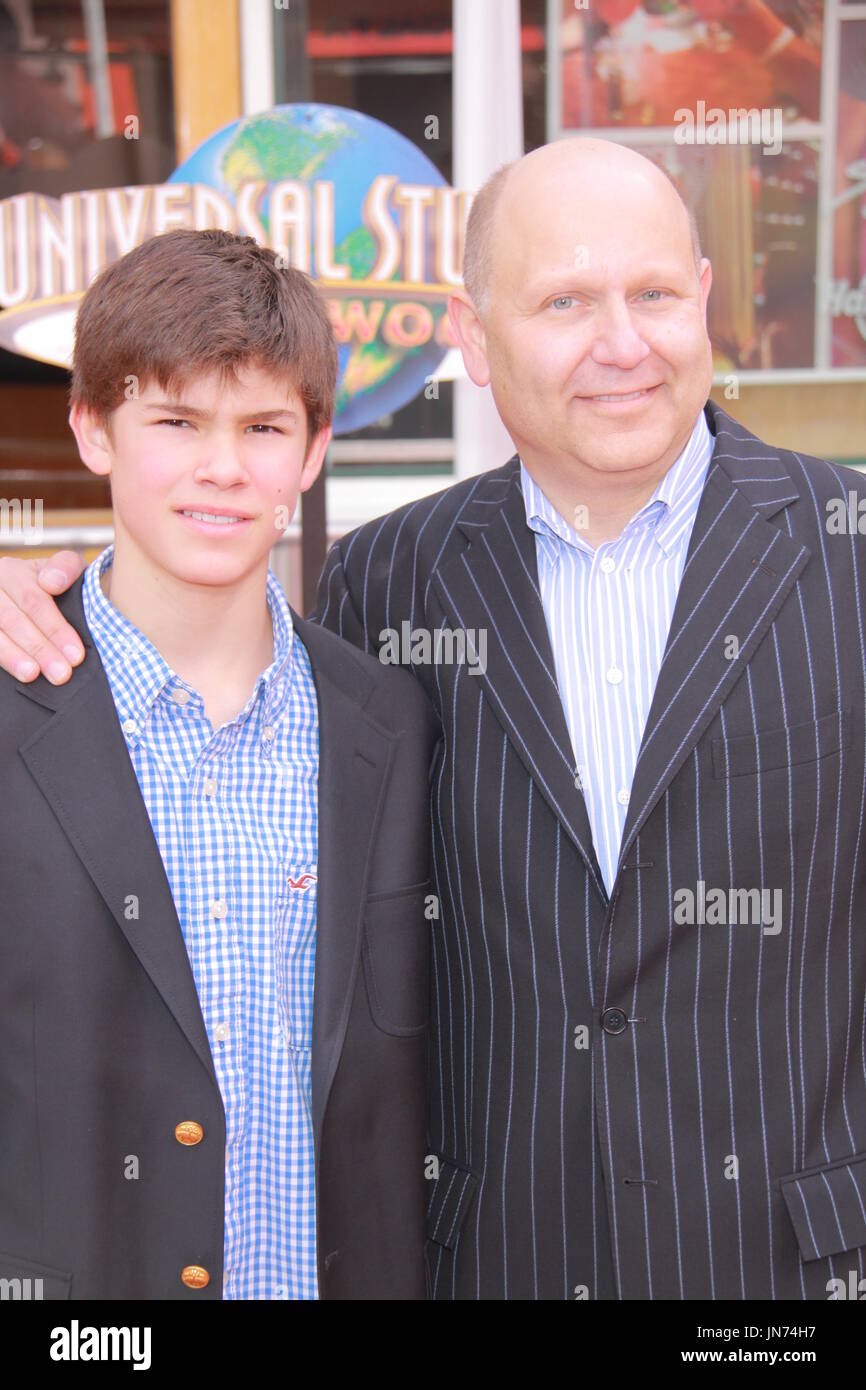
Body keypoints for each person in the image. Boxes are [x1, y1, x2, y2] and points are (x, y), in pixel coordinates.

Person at [4, 139, 865, 1300]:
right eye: (564, 300)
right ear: (473, 336)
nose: (621, 342)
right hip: (489, 1259)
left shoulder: (843, 550)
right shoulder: (388, 582)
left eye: (652, 293)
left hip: (782, 1276)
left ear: (703, 298)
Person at [0, 228, 437, 1300]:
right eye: (176, 420)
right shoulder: (17, 699)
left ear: (314, 448)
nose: (222, 468)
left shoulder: (387, 718)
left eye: (262, 426)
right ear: (92, 426)